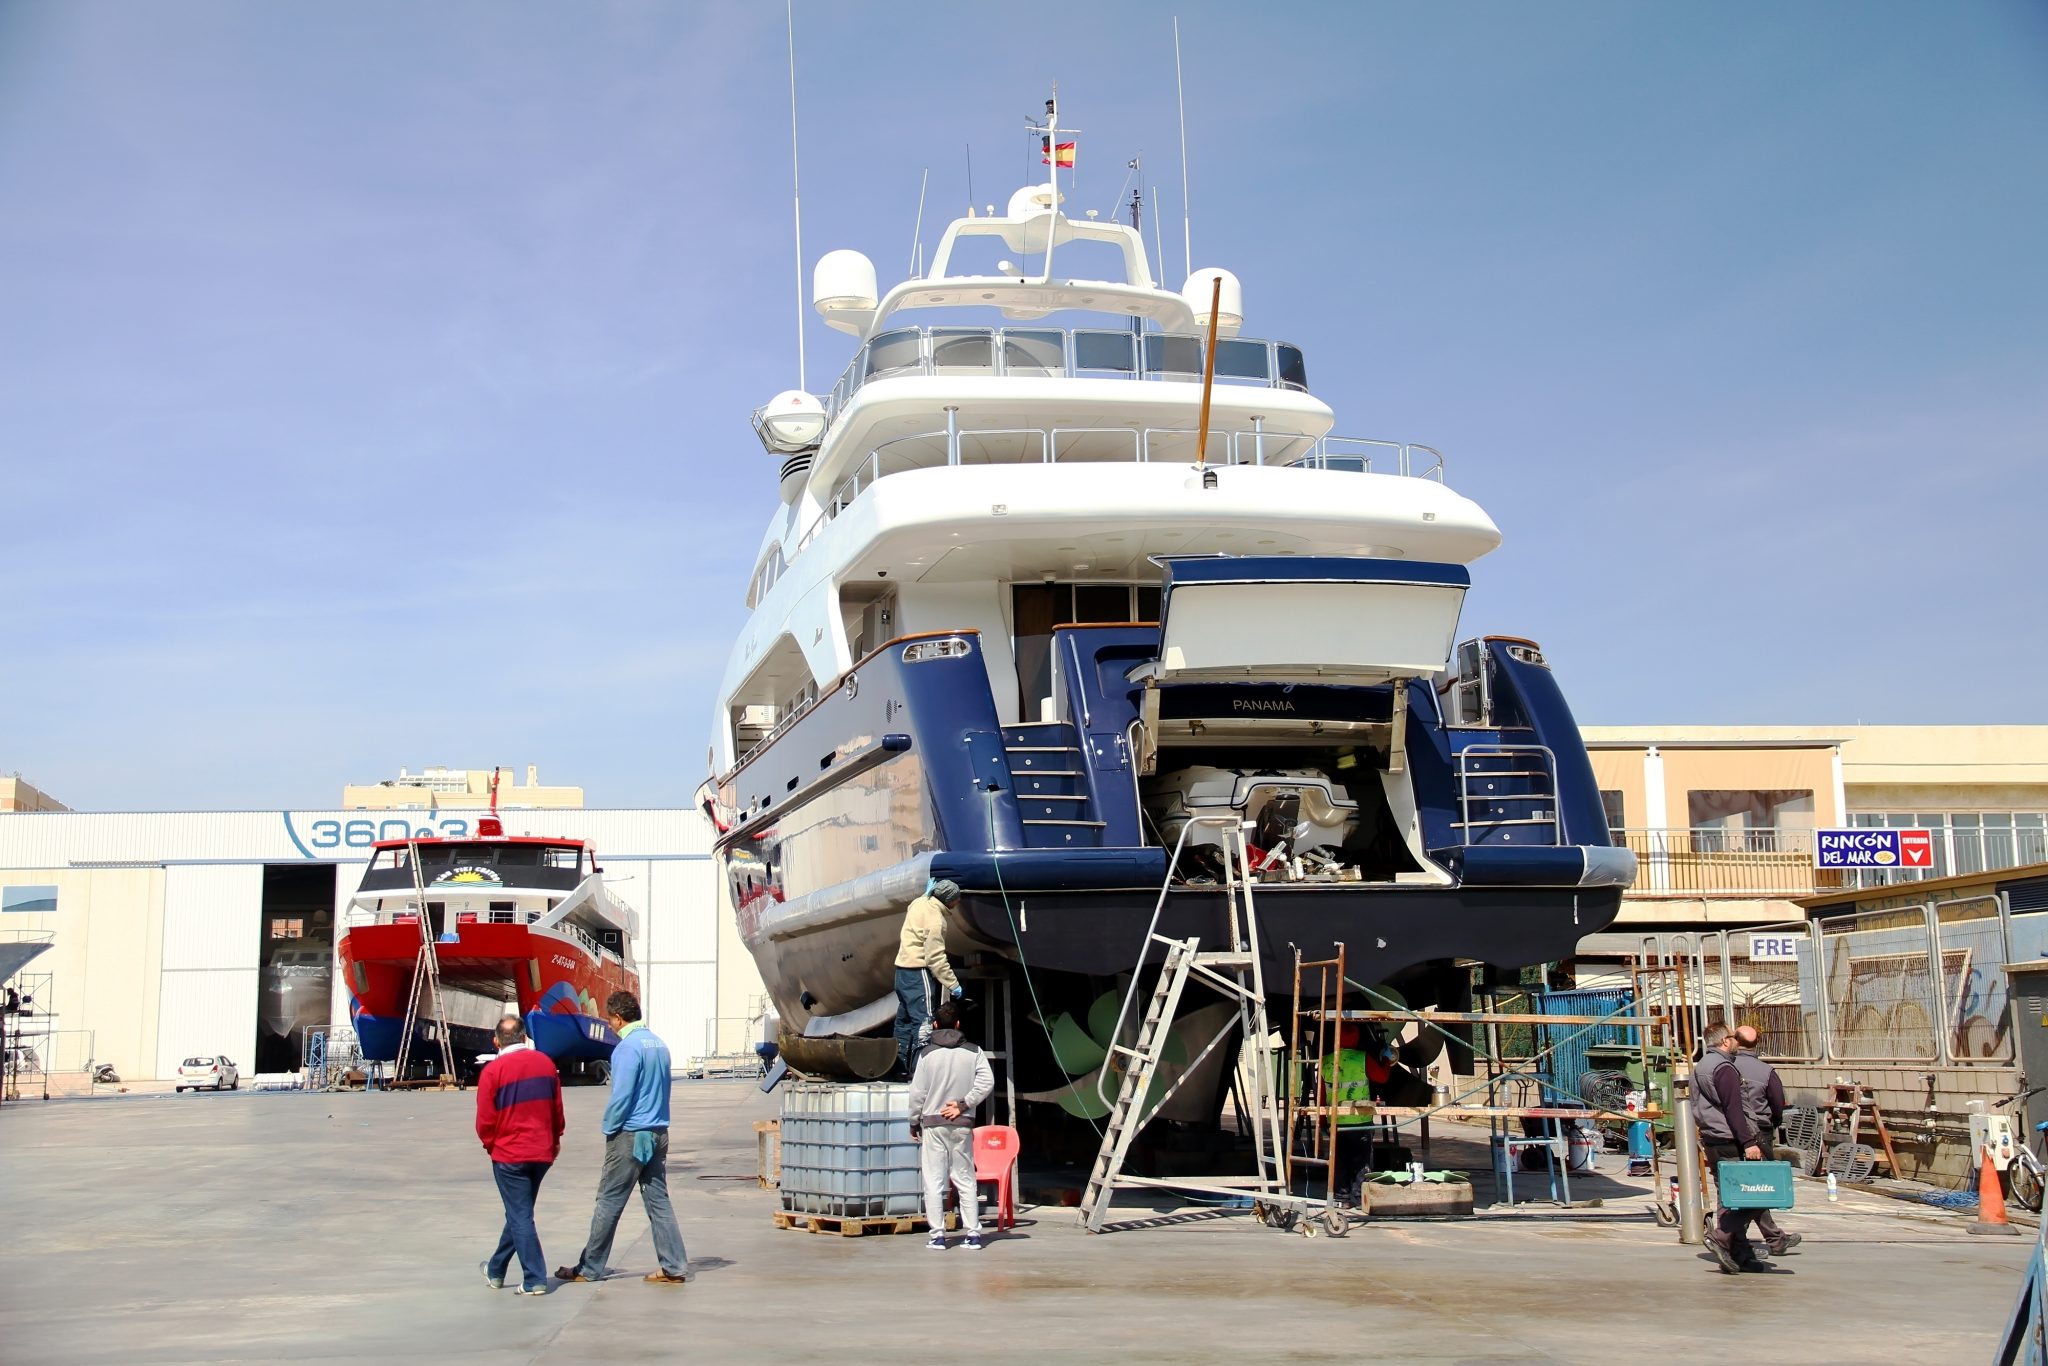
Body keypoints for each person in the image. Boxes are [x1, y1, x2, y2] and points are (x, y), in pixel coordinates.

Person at [554, 991, 691, 1286]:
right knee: (658, 1201)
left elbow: (622, 1096)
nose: (610, 1025)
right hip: (658, 1132)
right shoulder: (659, 1044)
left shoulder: (628, 1048)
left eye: (610, 1020)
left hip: (631, 1134)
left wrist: (609, 1128)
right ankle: (674, 1266)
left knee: (608, 1202)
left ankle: (589, 1267)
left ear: (617, 1018)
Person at [474, 1014, 564, 1295]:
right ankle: (496, 1269)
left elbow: (485, 1121)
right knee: (519, 1213)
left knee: (520, 1216)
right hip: (541, 1152)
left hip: (510, 1154)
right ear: (525, 1037)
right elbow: (556, 1111)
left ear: (496, 1041)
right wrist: (554, 1140)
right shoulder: (546, 1064)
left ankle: (535, 1278)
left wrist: (492, 1146)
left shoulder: (493, 1071)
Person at [908, 998, 994, 1251]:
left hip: (933, 1124)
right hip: (962, 1123)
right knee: (965, 1178)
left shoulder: (926, 1055)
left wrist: (914, 1121)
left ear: (935, 1024)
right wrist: (963, 1104)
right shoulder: (974, 1052)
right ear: (958, 1024)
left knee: (934, 1181)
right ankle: (973, 1234)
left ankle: (937, 1235)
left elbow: (917, 1093)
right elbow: (986, 1083)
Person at [1691, 1023, 1770, 1273]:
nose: (1736, 1041)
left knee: (1729, 1197)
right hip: (1729, 1139)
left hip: (1713, 1137)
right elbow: (1734, 1109)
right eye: (1733, 1037)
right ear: (1725, 1041)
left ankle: (1740, 1254)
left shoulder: (1702, 1065)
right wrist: (1748, 1142)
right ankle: (1721, 1237)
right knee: (1753, 1194)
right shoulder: (1723, 1068)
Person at [1731, 1023, 1799, 1255]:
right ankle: (1731, 1237)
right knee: (1759, 1186)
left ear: (1736, 1041)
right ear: (1757, 1044)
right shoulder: (1766, 1071)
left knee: (1748, 1186)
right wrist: (1772, 1124)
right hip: (1760, 1131)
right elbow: (1778, 1103)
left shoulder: (1725, 1066)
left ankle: (1773, 1238)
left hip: (1731, 1132)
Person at [894, 878, 964, 1078]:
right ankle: (918, 1072)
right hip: (918, 972)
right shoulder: (936, 920)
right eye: (957, 899)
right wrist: (953, 984)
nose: (958, 902)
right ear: (949, 901)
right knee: (924, 1024)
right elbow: (935, 958)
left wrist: (925, 895)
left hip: (901, 972)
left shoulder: (919, 903)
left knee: (904, 1022)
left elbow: (913, 905)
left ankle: (898, 1068)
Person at [1320, 1024, 1379, 1201]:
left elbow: (1322, 1095)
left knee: (1339, 1161)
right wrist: (1387, 1060)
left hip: (1336, 1122)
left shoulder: (1326, 1061)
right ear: (1356, 1039)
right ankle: (1360, 1196)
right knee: (1361, 1162)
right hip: (1360, 1122)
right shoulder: (1363, 1059)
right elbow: (1382, 1077)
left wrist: (1323, 1120)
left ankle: (1341, 1197)